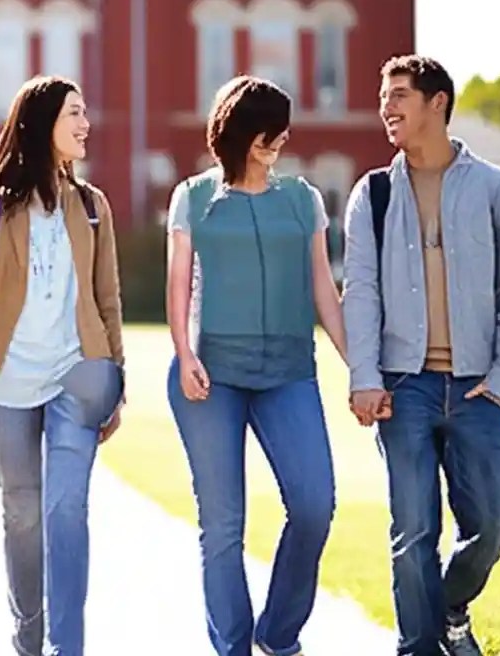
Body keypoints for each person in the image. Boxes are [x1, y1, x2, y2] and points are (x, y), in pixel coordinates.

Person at [342, 55, 500, 656]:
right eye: (383, 95)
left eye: (399, 94)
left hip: (479, 387)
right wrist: (365, 378)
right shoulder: (371, 195)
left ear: (438, 104)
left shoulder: (497, 189)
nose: (387, 107)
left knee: (491, 525)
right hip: (406, 387)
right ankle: (419, 648)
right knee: (413, 531)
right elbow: (362, 293)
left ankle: (452, 605)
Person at [165, 75, 347, 656]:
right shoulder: (192, 198)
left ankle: (279, 633)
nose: (277, 146)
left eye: (281, 136)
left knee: (315, 504)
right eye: (267, 136)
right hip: (210, 376)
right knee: (222, 528)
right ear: (239, 135)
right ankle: (234, 648)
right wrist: (184, 354)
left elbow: (324, 286)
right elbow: (178, 285)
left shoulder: (303, 200)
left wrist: (358, 367)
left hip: (289, 372)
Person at [0, 75, 125, 656]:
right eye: (73, 113)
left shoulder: (93, 206)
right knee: (22, 513)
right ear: (41, 123)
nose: (85, 123)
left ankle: (65, 646)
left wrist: (115, 379)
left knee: (66, 508)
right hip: (5, 383)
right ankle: (29, 637)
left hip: (77, 375)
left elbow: (108, 298)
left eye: (85, 111)